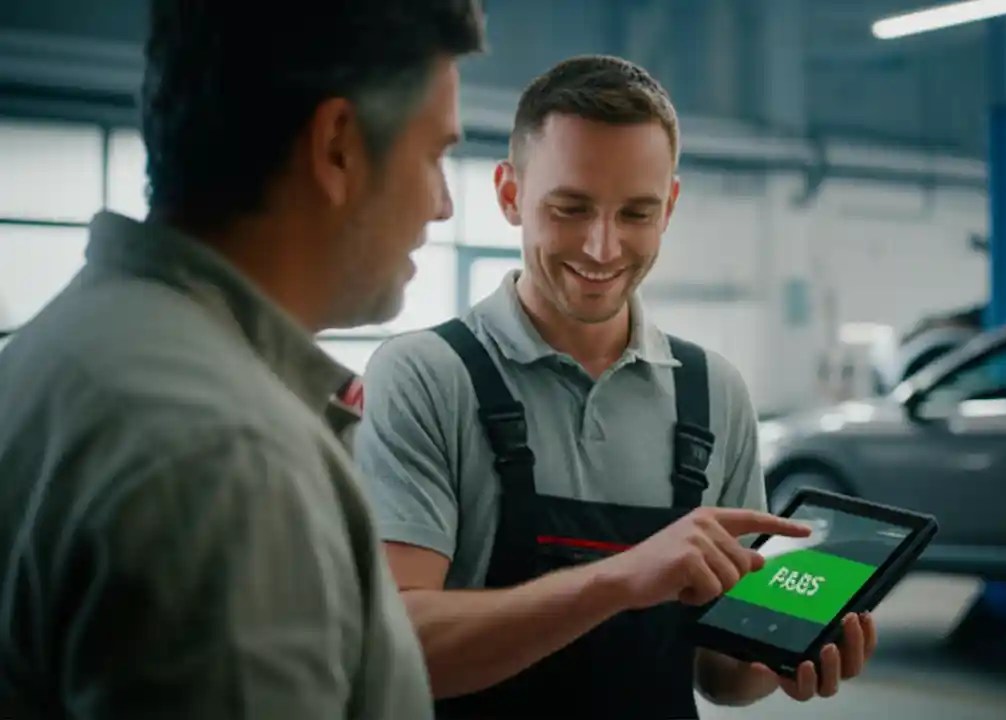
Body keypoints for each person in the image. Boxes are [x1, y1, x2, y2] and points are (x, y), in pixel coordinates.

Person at [355, 55, 877, 719]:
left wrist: (782, 658)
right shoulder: (425, 376)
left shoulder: (714, 394)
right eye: (570, 208)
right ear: (510, 195)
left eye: (636, 213)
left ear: (671, 206)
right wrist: (620, 579)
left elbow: (720, 674)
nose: (603, 248)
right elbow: (399, 648)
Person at [0, 1, 482, 717]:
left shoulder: (55, 354)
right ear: (338, 147)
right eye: (436, 153)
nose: (443, 205)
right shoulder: (229, 460)